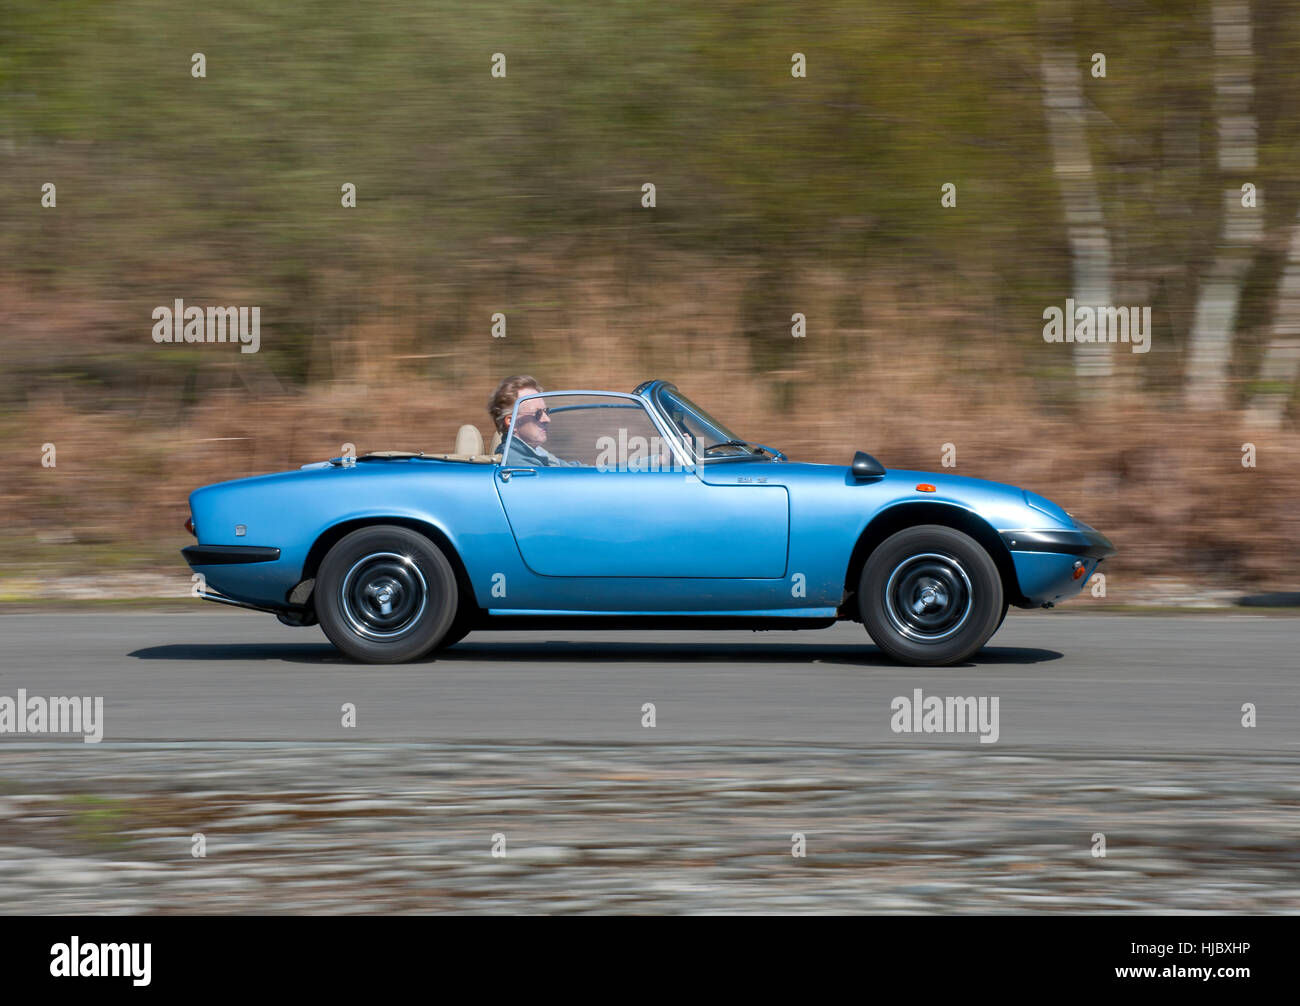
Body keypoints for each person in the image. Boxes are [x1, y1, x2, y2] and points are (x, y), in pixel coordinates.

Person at [487, 374, 576, 467]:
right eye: (537, 414)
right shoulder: (517, 464)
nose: (547, 419)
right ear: (511, 421)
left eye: (546, 411)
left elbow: (571, 468)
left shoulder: (536, 453)